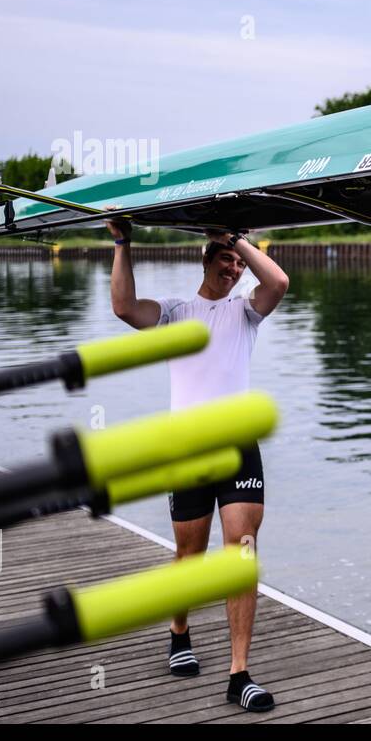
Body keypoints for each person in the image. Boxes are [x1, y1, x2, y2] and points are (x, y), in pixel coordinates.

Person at [106, 217, 289, 713]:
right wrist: (123, 243)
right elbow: (123, 306)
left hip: (237, 445)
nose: (233, 268)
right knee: (190, 555)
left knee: (241, 552)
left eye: (237, 261)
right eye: (225, 259)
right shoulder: (174, 312)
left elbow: (278, 282)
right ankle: (179, 631)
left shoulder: (246, 311)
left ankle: (239, 673)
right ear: (204, 261)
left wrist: (238, 240)